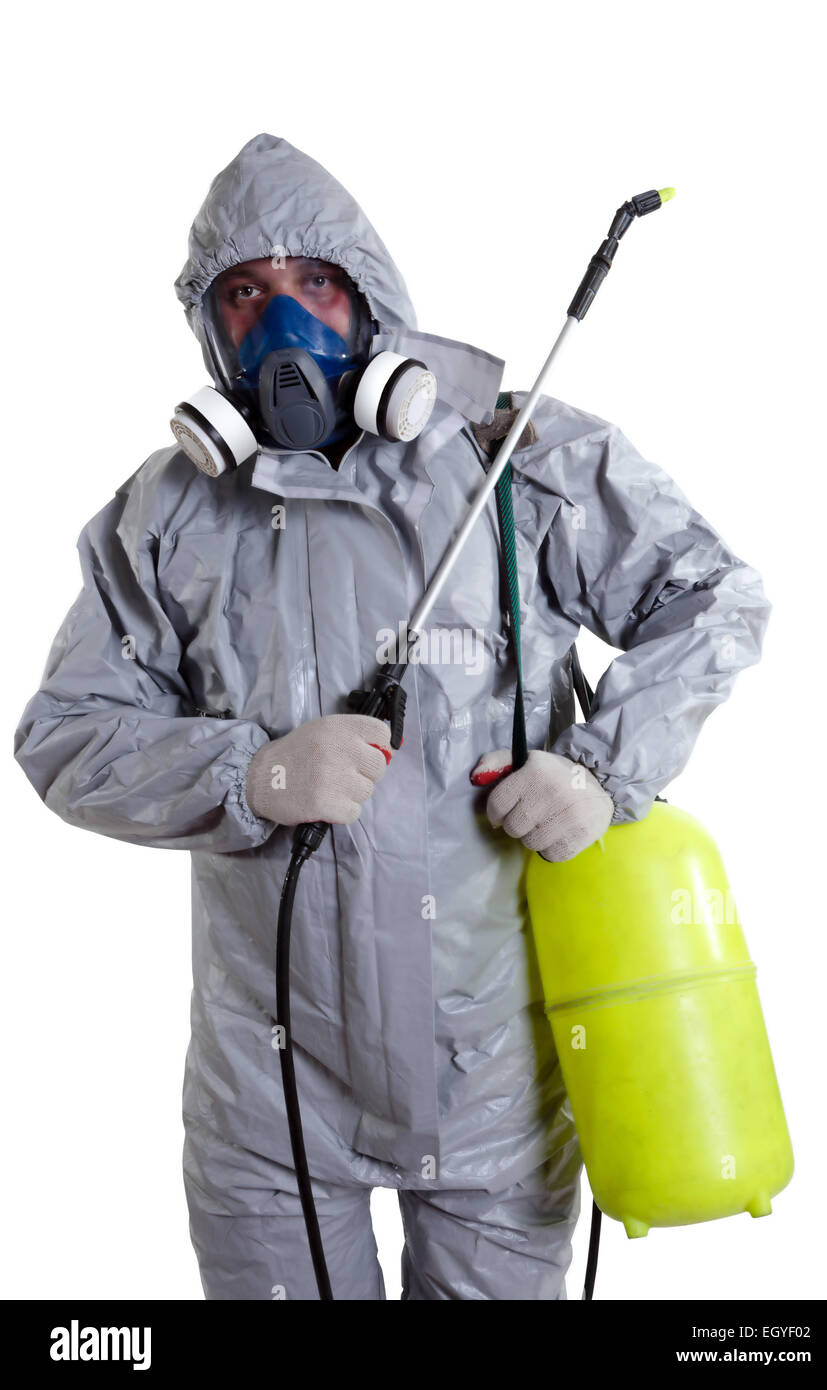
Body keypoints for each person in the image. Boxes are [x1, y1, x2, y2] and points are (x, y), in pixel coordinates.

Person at [13, 133, 770, 1300]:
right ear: (209, 334)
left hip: (495, 1078)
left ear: (372, 302)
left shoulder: (515, 461)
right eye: (245, 294)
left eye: (313, 284)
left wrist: (602, 769)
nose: (285, 326)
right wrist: (250, 774)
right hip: (267, 1102)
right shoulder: (166, 515)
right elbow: (64, 734)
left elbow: (712, 595)